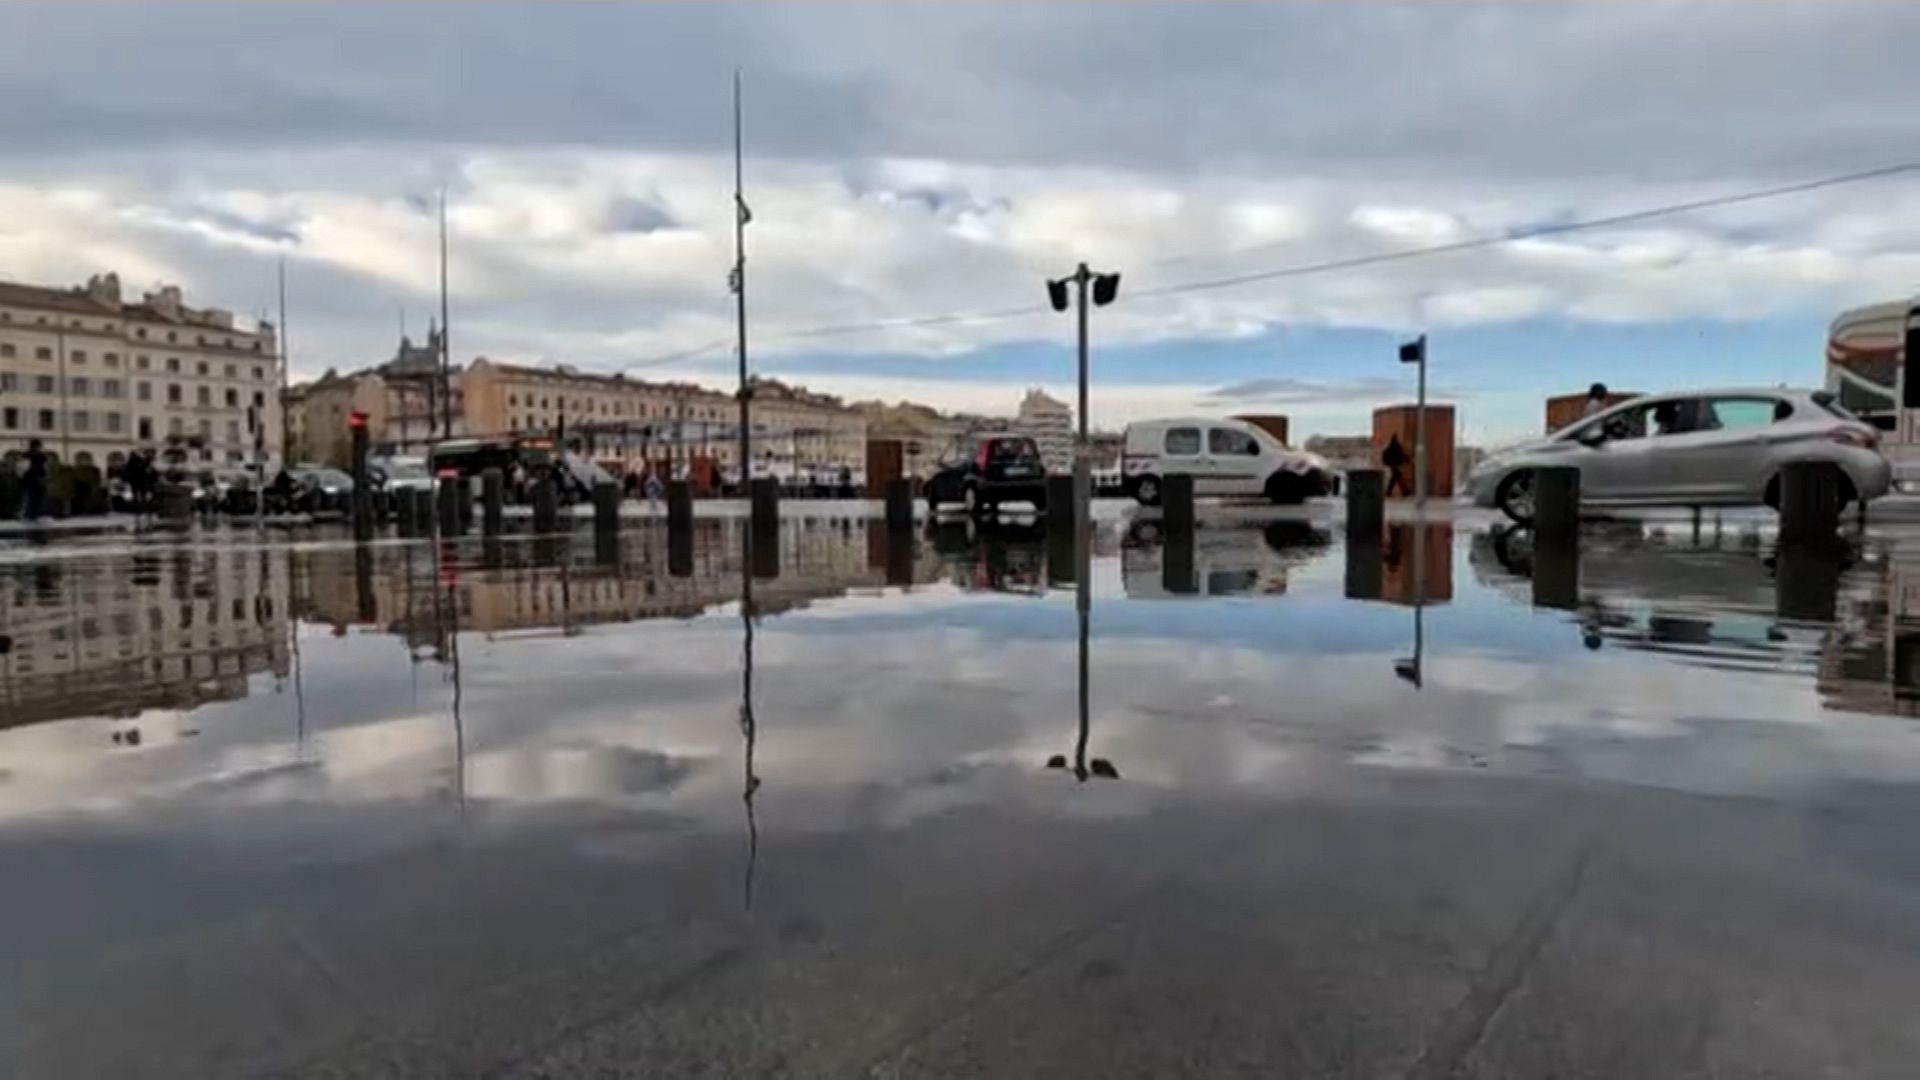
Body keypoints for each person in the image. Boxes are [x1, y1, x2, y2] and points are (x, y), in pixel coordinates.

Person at [19, 439, 49, 521]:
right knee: (32, 497)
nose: (39, 448)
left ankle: (32, 514)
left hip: (35, 479)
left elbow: (44, 467)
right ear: (35, 446)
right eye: (38, 446)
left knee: (35, 497)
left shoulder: (37, 455)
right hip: (32, 479)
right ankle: (30, 514)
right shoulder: (30, 455)